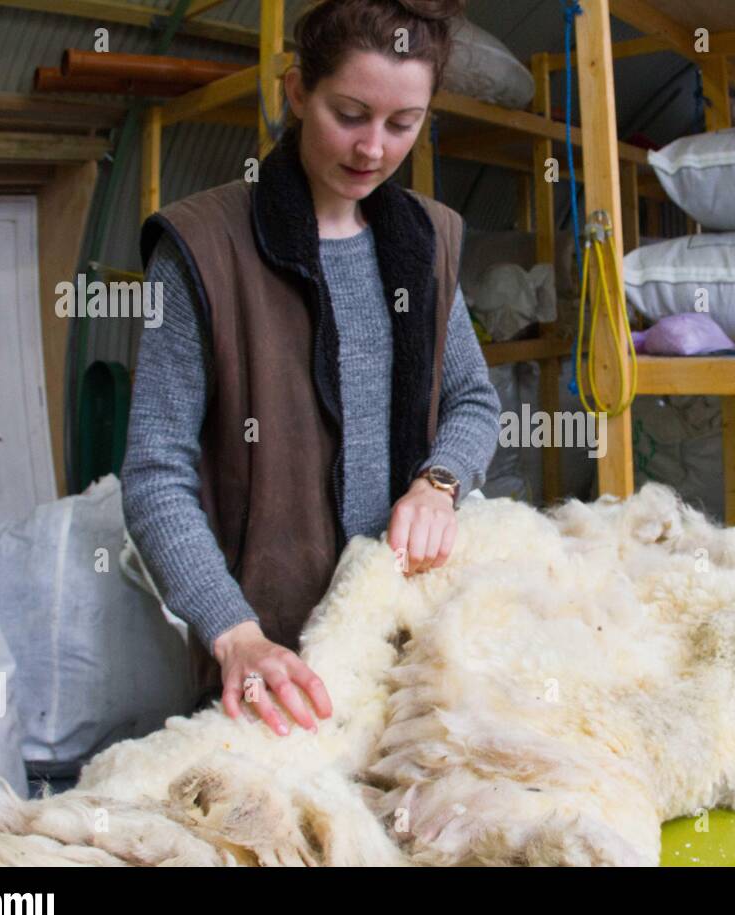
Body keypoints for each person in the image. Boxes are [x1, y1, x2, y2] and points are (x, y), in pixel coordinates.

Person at [121, 0, 498, 738]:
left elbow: (473, 400)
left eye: (403, 124)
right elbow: (154, 476)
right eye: (350, 114)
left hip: (415, 640)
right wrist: (234, 633)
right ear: (297, 92)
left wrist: (440, 483)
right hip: (281, 664)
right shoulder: (202, 249)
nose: (372, 149)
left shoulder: (426, 239)